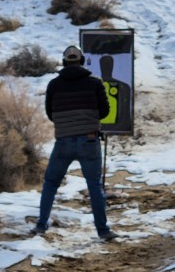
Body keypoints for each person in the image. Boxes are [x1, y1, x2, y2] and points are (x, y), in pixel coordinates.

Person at [32, 45, 117, 241]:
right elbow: (105, 111)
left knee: (51, 184)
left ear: (64, 62)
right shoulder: (94, 83)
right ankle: (103, 231)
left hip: (63, 141)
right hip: (89, 140)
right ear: (81, 61)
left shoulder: (54, 85)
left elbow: (50, 114)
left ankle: (41, 225)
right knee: (94, 186)